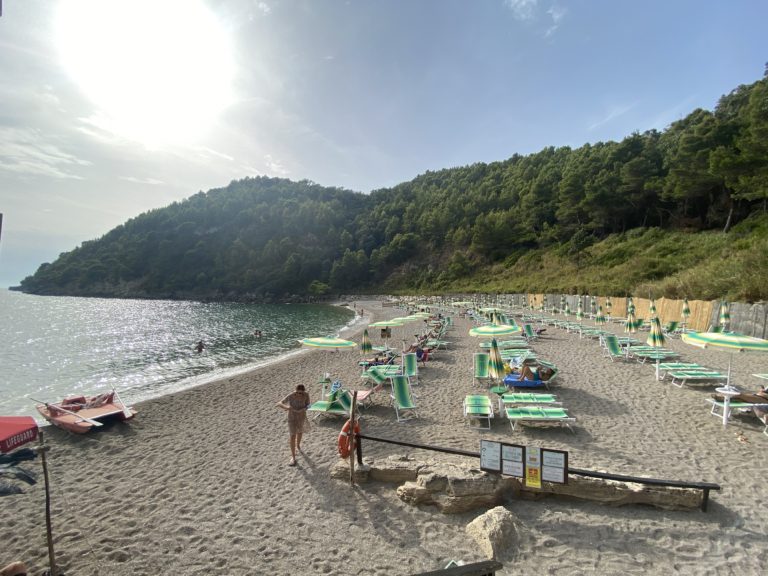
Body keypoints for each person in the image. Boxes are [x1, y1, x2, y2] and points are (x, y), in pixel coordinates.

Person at [277, 384, 311, 466]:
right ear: (295, 391)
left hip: (301, 417)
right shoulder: (291, 395)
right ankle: (293, 457)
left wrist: (304, 409)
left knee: (300, 432)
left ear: (303, 392)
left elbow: (309, 405)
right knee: (292, 436)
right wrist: (287, 407)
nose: (299, 394)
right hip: (292, 418)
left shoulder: (306, 395)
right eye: (297, 392)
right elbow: (279, 403)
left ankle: (298, 445)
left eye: (301, 393)